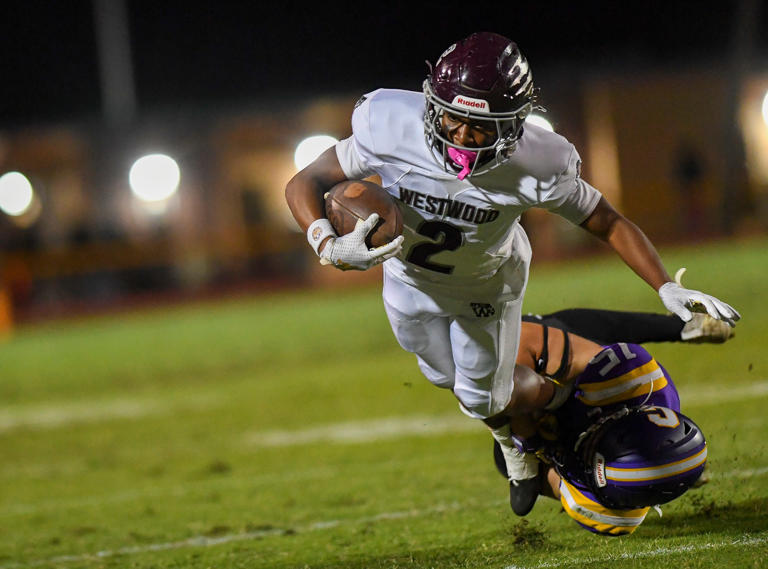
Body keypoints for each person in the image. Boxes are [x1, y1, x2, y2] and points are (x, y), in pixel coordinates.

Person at [284, 32, 739, 505]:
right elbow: (306, 181)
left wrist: (664, 286)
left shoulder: (538, 162)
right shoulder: (389, 124)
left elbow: (607, 222)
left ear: (514, 125)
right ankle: (516, 435)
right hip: (408, 280)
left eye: (480, 127)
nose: (461, 137)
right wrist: (327, 243)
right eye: (452, 118)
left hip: (486, 284)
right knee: (445, 379)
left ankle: (555, 418)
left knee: (482, 396)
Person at [489, 317, 707, 534]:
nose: (582, 461)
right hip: (577, 381)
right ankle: (680, 326)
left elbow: (552, 479)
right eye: (592, 451)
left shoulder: (613, 515)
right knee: (494, 387)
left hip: (582, 418)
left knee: (506, 462)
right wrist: (524, 441)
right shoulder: (628, 379)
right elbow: (519, 339)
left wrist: (545, 452)